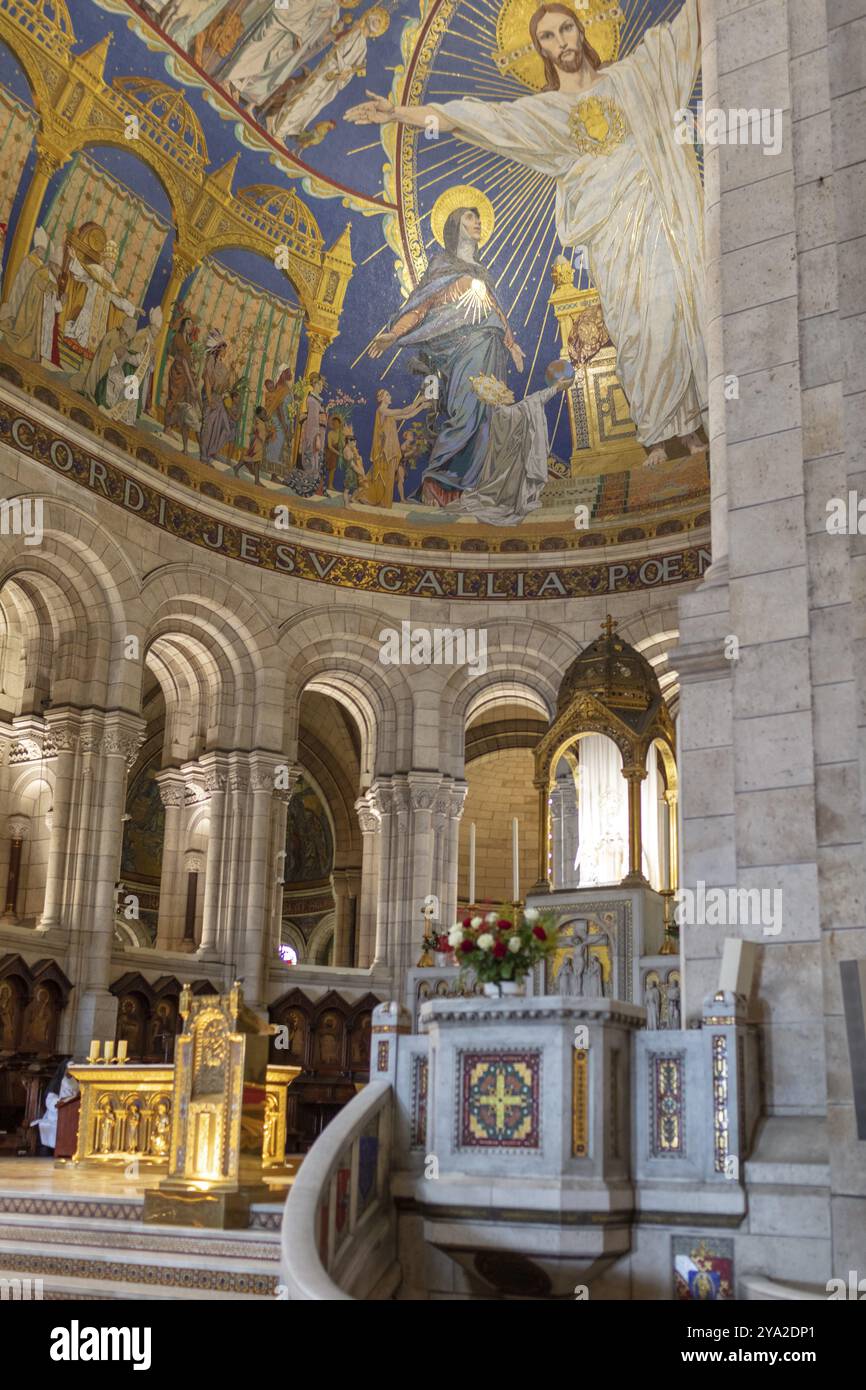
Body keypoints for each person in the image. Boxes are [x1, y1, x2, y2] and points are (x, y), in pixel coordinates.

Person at [346, 0, 707, 467]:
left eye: (566, 29)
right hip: (610, 233)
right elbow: (476, 119)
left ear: (583, 29)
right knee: (636, 327)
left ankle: (694, 428)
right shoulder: (546, 112)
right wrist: (398, 113)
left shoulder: (633, 78)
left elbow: (683, 32)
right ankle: (658, 434)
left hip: (655, 212)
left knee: (672, 308)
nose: (562, 43)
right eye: (549, 38)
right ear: (540, 50)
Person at [368, 199, 523, 507]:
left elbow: (494, 308)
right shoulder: (442, 266)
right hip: (461, 352)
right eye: (470, 217)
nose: (477, 222)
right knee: (465, 414)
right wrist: (395, 333)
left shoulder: (482, 272)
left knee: (486, 419)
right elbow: (421, 306)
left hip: (490, 347)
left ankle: (472, 489)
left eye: (479, 219)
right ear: (456, 226)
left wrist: (511, 343)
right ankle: (439, 482)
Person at [452, 369, 569, 525]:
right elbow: (532, 403)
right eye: (506, 391)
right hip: (511, 471)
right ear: (498, 395)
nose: (512, 391)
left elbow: (526, 406)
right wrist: (555, 388)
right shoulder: (507, 414)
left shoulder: (500, 413)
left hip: (507, 470)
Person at [267, 6, 390, 143]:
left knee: (314, 105)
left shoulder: (363, 47)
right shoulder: (355, 32)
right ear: (370, 16)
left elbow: (354, 69)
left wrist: (345, 76)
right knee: (306, 96)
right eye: (377, 19)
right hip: (329, 71)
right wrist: (343, 70)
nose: (377, 24)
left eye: (380, 24)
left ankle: (285, 130)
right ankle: (279, 127)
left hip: (335, 81)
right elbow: (338, 50)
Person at [357, 388, 425, 508]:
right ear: (381, 398)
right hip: (384, 451)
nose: (390, 397)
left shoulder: (389, 415)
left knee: (388, 477)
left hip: (391, 450)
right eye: (387, 395)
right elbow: (404, 410)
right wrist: (419, 400)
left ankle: (383, 502)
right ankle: (373, 499)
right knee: (382, 476)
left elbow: (407, 415)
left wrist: (422, 407)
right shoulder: (382, 410)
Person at [163, 314, 200, 453]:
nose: (191, 327)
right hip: (178, 372)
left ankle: (171, 426)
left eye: (192, 325)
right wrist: (190, 380)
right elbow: (182, 359)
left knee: (181, 401)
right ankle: (167, 427)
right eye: (189, 324)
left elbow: (188, 359)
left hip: (185, 373)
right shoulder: (179, 338)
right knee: (173, 397)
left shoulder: (188, 340)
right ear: (184, 324)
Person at [31, 1059, 78, 1156]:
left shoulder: (75, 1082)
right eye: (69, 1068)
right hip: (56, 1115)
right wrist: (60, 1102)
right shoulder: (57, 1082)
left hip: (71, 1114)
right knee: (55, 1127)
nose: (71, 1071)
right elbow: (50, 1099)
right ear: (64, 1069)